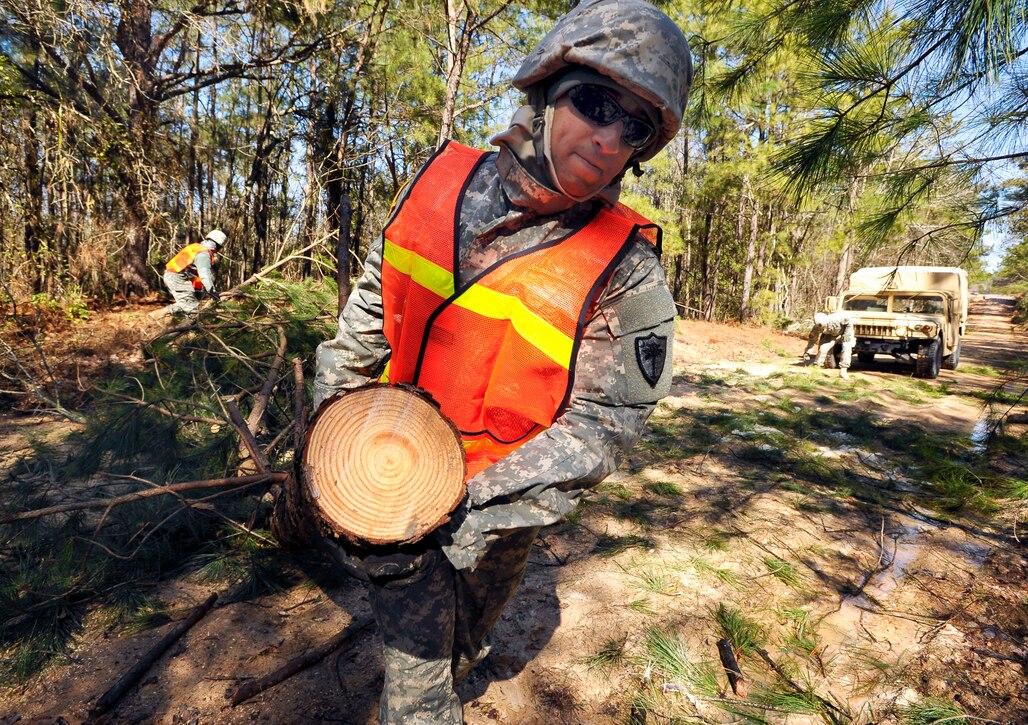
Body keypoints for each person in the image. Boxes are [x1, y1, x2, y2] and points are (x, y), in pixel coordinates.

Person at [311, 1, 692, 721]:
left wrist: (458, 507)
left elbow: (602, 428)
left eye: (634, 125)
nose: (608, 137)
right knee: (419, 689)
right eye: (596, 102)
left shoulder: (627, 272)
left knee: (462, 646)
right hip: (386, 469)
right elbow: (367, 313)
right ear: (548, 89)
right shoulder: (437, 185)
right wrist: (335, 452)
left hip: (499, 504)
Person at [149, 229, 226, 320]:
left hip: (176, 277)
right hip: (177, 278)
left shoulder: (196, 247)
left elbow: (194, 273)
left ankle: (159, 314)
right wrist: (212, 291)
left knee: (186, 303)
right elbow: (204, 274)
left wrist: (197, 290)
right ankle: (191, 332)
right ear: (218, 245)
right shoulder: (204, 254)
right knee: (193, 310)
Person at [804, 310, 855, 379]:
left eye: (824, 326)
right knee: (822, 349)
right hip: (832, 334)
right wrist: (808, 350)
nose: (823, 329)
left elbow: (849, 321)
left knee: (846, 347)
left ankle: (843, 371)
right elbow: (812, 339)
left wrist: (847, 337)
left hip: (846, 332)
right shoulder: (816, 327)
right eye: (821, 328)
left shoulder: (838, 319)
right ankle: (816, 368)